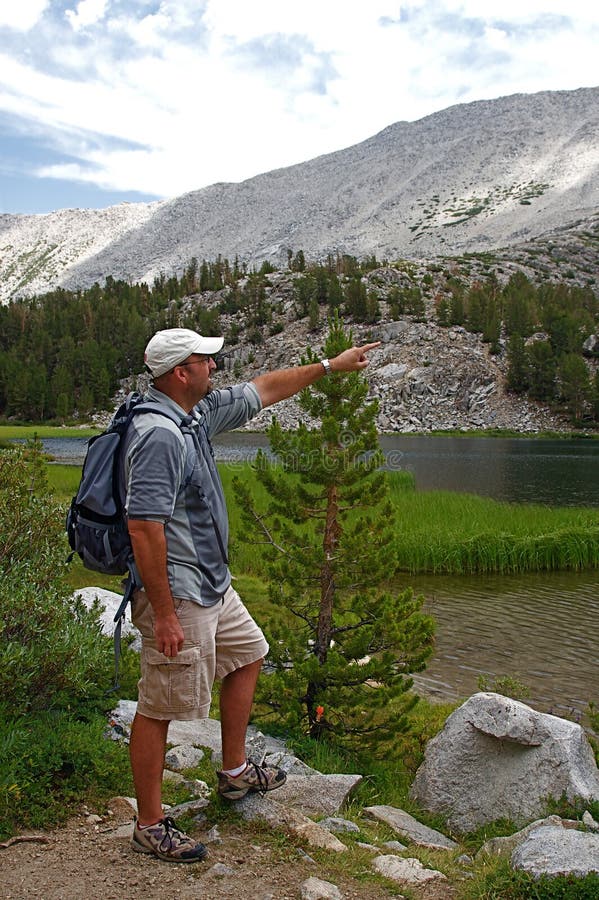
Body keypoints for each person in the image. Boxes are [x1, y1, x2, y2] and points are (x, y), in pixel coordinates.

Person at [124, 327, 380, 863]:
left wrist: (331, 367)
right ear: (181, 372)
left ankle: (235, 771)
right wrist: (165, 615)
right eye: (206, 360)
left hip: (213, 584)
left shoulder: (194, 415)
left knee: (250, 653)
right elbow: (144, 527)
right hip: (180, 592)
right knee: (160, 705)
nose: (215, 367)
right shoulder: (158, 435)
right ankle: (149, 824)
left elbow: (263, 389)